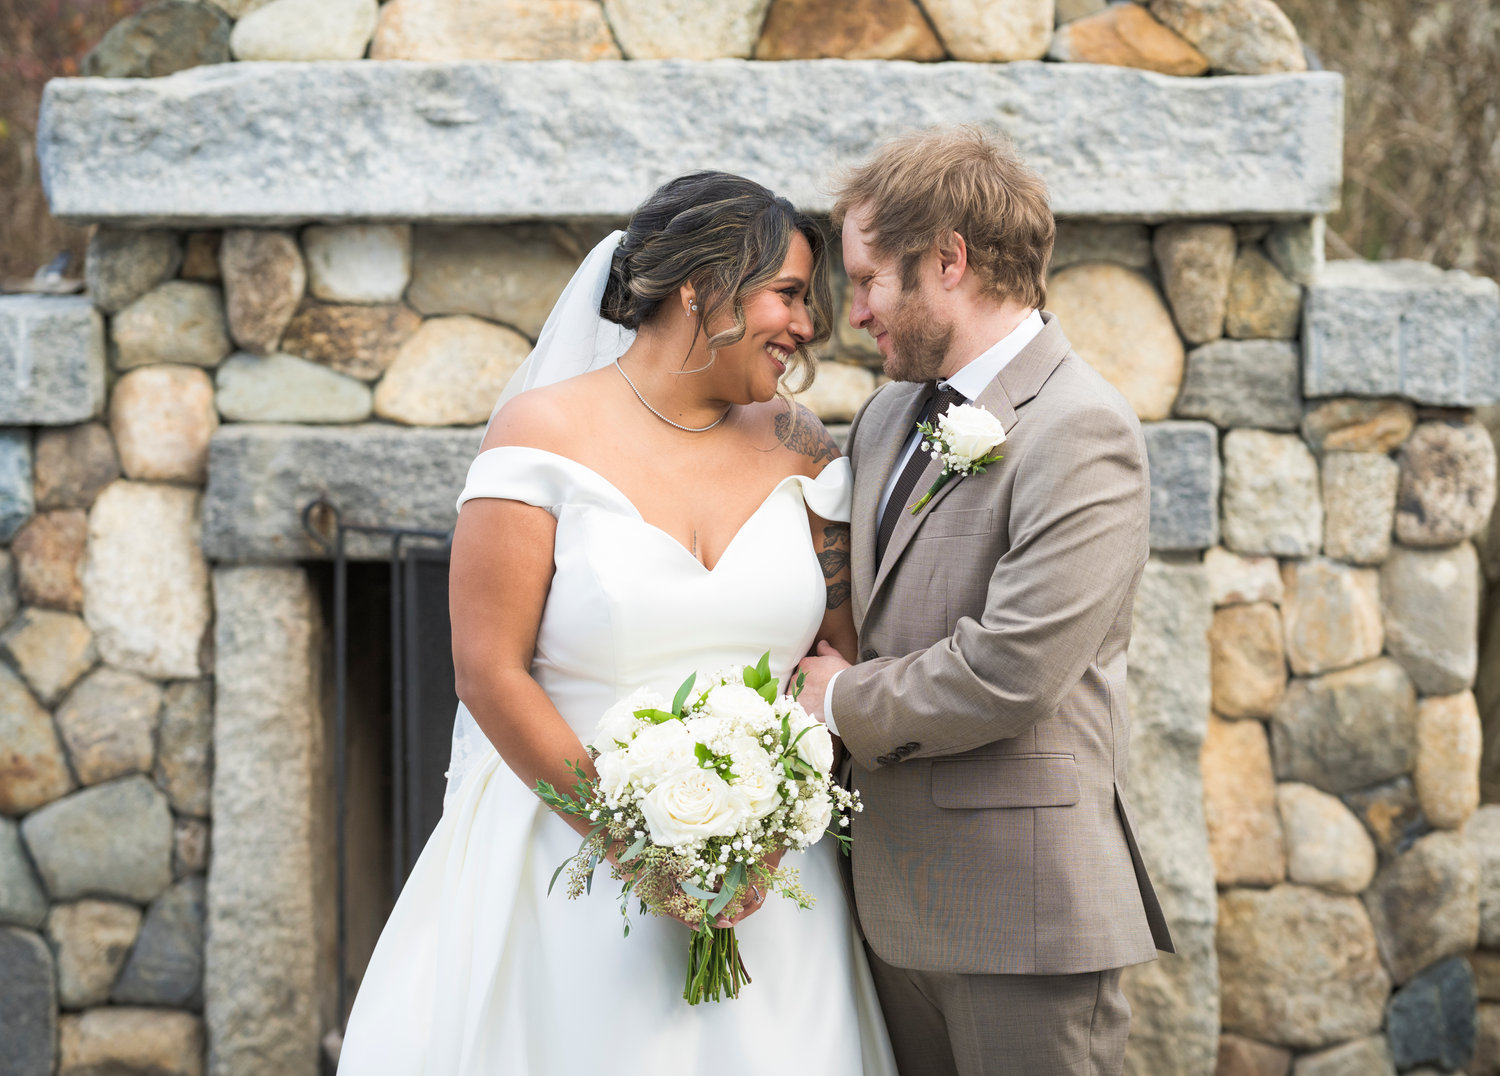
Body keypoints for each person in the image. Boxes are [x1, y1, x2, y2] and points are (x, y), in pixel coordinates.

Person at [338, 172, 896, 1074]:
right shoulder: (541, 435)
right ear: (701, 285)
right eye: (787, 294)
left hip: (770, 884)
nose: (809, 327)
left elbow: (841, 656)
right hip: (571, 866)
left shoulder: (802, 444)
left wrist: (772, 810)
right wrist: (638, 850)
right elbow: (488, 671)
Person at [796, 127, 1175, 1076]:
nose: (858, 314)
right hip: (886, 912)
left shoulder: (1083, 428)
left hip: (1024, 919)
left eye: (872, 280)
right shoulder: (886, 417)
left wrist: (836, 701)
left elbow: (1012, 670)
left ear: (949, 261)